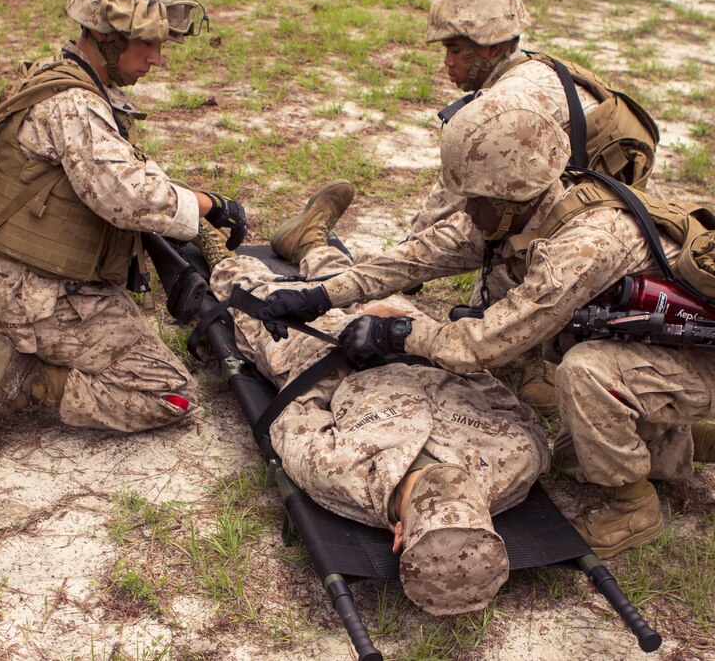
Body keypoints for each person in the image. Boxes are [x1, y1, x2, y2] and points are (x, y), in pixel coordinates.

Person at [257, 91, 715, 559]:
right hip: (662, 351)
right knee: (571, 445)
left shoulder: (583, 245)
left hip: (713, 364)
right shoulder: (527, 207)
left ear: (511, 196)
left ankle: (632, 508)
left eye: (474, 200)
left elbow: (484, 345)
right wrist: (322, 294)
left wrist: (398, 333)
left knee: (585, 376)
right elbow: (421, 256)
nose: (466, 209)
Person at [200, 182, 549, 615]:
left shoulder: (340, 473)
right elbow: (506, 402)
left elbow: (295, 411)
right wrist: (407, 339)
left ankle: (214, 244)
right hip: (412, 346)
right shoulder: (517, 461)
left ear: (396, 536)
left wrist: (341, 355)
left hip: (329, 360)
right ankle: (310, 242)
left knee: (255, 301)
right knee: (368, 291)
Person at [0, 0, 248, 460]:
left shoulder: (65, 80)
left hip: (31, 278)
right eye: (149, 43)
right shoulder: (74, 104)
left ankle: (39, 352)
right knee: (172, 396)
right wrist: (207, 205)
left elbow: (121, 175)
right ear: (109, 36)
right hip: (44, 295)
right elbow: (129, 197)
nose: (157, 59)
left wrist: (196, 208)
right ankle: (34, 380)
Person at [390, 0, 660, 414]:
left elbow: (458, 194)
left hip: (590, 229)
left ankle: (541, 361)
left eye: (456, 50)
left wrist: (409, 263)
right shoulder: (533, 70)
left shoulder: (515, 101)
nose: (447, 63)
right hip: (598, 204)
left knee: (503, 249)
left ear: (492, 48)